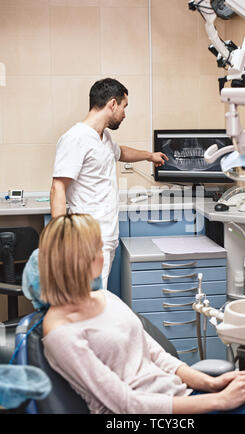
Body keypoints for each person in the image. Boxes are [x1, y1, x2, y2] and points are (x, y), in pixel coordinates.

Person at [39, 214, 245, 414]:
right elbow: (126, 404)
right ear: (78, 259)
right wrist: (220, 400)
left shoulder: (104, 297)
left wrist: (213, 384)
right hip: (151, 413)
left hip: (182, 395)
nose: (103, 253)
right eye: (97, 248)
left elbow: (156, 356)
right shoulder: (62, 334)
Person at [50, 78, 168, 290]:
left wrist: (149, 156)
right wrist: (61, 240)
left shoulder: (104, 137)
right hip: (87, 240)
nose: (124, 114)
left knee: (98, 300)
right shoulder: (75, 138)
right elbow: (58, 187)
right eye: (124, 107)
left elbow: (120, 152)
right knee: (89, 305)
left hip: (107, 236)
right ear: (112, 104)